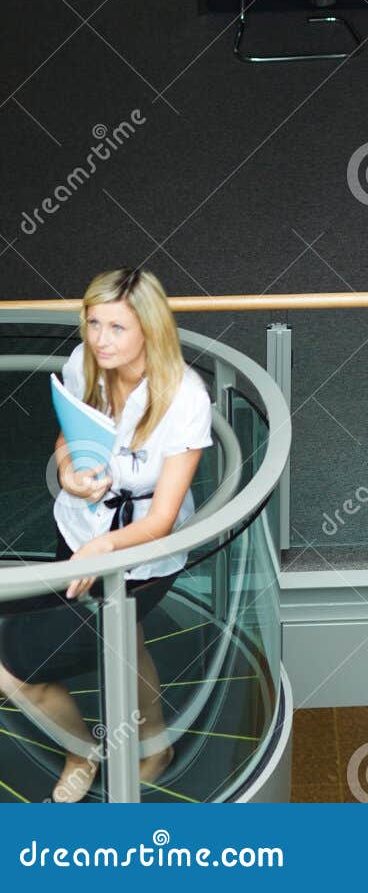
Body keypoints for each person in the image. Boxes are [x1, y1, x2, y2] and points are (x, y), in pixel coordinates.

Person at [0, 267, 213, 802]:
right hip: (76, 534)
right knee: (126, 646)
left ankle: (81, 751)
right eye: (93, 323)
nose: (100, 339)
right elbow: (67, 437)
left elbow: (162, 519)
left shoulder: (185, 396)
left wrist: (103, 550)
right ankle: (151, 743)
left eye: (116, 327)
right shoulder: (84, 365)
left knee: (10, 674)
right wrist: (67, 467)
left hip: (139, 559)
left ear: (149, 328)